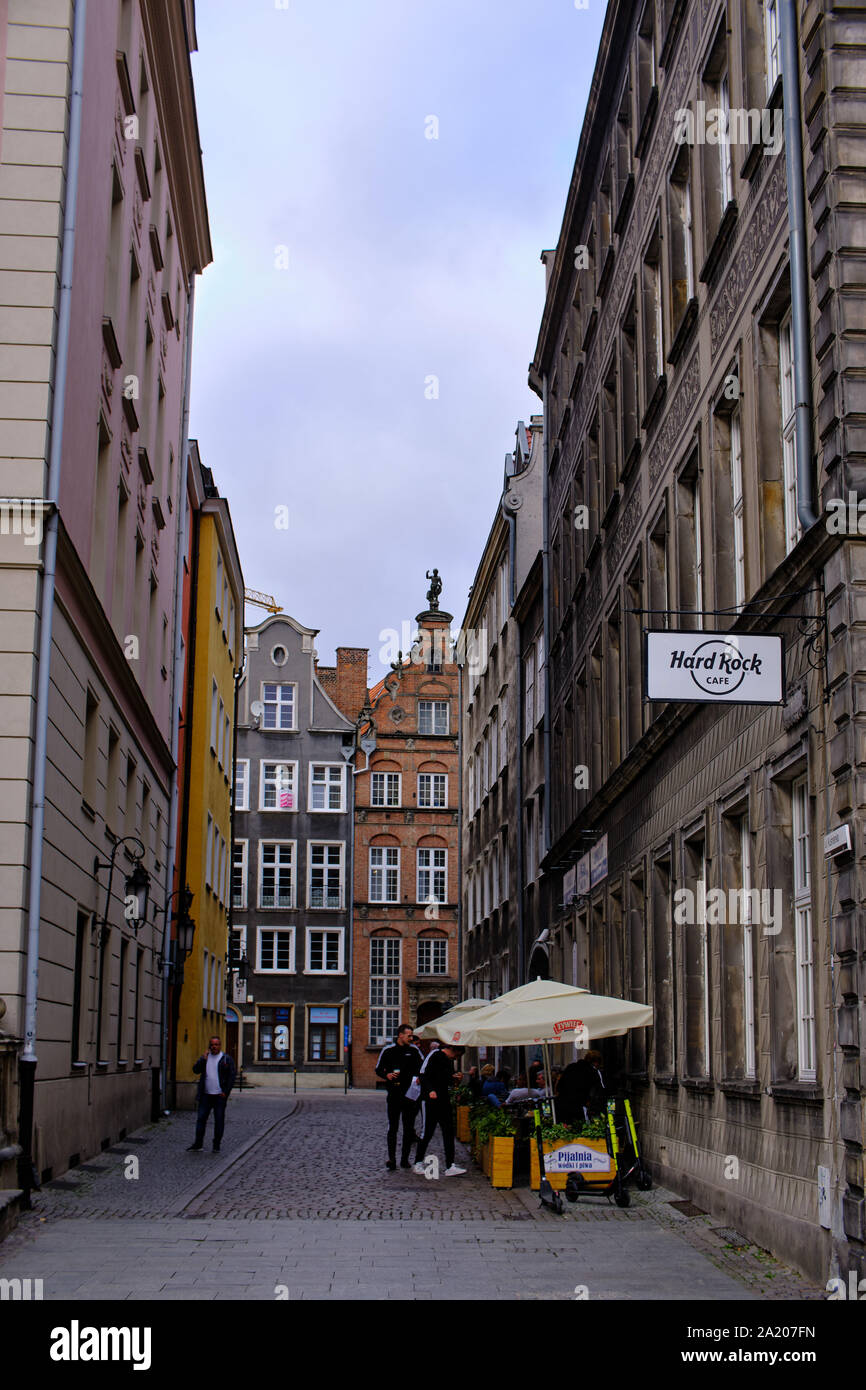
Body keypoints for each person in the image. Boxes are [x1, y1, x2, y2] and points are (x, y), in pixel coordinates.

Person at [375, 1023, 424, 1170]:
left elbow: (423, 1068)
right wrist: (387, 1075)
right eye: (409, 1035)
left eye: (411, 1035)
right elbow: (378, 1069)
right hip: (394, 1094)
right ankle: (392, 1159)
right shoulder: (388, 1051)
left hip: (410, 1095)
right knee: (393, 1127)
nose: (411, 1038)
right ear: (400, 1035)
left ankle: (404, 1159)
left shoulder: (414, 1051)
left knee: (408, 1128)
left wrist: (420, 1078)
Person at [413, 1043, 466, 1176]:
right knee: (427, 1132)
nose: (456, 1058)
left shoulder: (448, 1062)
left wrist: (456, 1079)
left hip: (444, 1100)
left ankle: (450, 1165)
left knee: (448, 1131)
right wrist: (430, 1090)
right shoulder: (435, 1055)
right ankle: (418, 1162)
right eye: (457, 1055)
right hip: (429, 1100)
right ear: (452, 1049)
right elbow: (422, 1075)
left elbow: (448, 1080)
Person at [188, 1036, 236, 1153]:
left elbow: (231, 1077)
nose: (214, 1047)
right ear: (209, 1046)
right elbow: (195, 1070)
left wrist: (226, 1092)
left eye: (216, 1044)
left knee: (219, 1120)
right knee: (201, 1119)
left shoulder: (226, 1059)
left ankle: (216, 1145)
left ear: (220, 1046)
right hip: (206, 1095)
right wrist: (202, 1060)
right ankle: (198, 1144)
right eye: (212, 1045)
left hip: (219, 1096)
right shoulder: (205, 1058)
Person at [556, 1050, 606, 1123]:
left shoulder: (571, 1067)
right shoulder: (593, 1073)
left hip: (562, 1105)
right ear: (596, 1062)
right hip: (579, 1107)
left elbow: (559, 1086)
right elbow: (597, 1092)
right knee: (579, 1128)